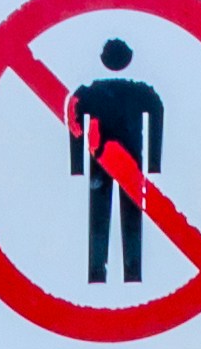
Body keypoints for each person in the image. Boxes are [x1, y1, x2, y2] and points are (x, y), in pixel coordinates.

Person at [68, 35, 163, 284]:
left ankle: (98, 272)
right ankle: (131, 272)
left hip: (103, 163)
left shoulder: (91, 93)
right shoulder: (140, 93)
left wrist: (77, 164)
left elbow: (74, 112)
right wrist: (154, 161)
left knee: (100, 218)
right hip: (128, 163)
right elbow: (157, 109)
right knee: (129, 217)